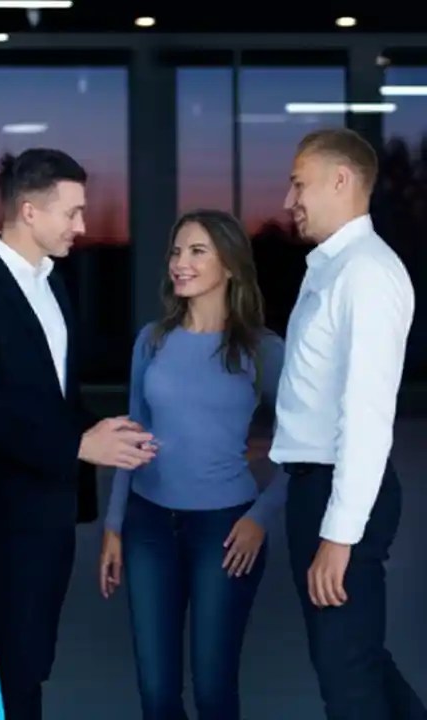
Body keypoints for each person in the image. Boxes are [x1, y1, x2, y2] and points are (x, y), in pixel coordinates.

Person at [0, 148, 157, 720]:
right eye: (73, 212)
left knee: (28, 659)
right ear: (30, 212)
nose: (82, 226)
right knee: (12, 657)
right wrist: (80, 446)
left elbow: (55, 397)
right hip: (0, 508)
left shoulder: (53, 286)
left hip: (50, 502)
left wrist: (103, 431)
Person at [98, 209, 288, 720]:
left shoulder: (262, 350)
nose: (180, 263)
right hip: (148, 525)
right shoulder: (153, 340)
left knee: (212, 692)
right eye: (177, 252)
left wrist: (259, 519)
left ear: (230, 265)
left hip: (225, 529)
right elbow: (131, 436)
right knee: (157, 695)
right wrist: (115, 526)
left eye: (197, 251)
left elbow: (306, 447)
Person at [270, 128, 426, 720]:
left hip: (341, 496)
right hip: (315, 489)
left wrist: (339, 534)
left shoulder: (366, 273)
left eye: (299, 184)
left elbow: (367, 415)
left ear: (341, 180)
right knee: (356, 662)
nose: (290, 201)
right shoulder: (331, 268)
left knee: (348, 681)